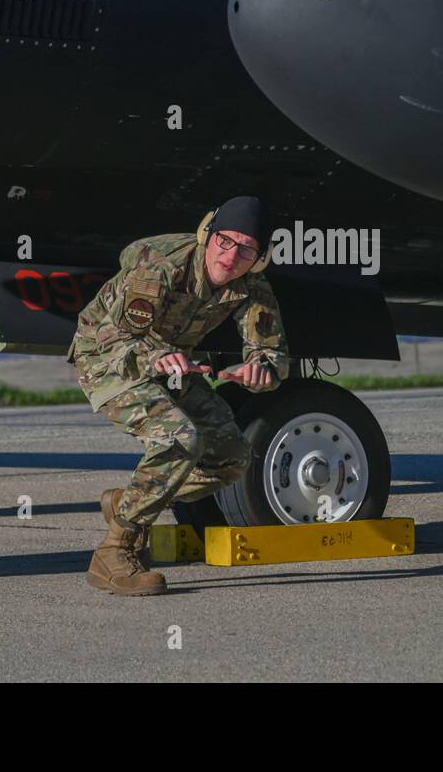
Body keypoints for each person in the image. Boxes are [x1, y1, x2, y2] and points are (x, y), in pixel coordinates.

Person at [66, 196, 289, 595]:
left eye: (246, 248)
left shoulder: (252, 284)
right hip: (108, 357)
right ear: (207, 234)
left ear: (259, 256)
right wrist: (159, 356)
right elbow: (112, 336)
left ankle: (130, 503)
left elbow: (272, 351)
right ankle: (113, 554)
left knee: (232, 457)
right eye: (224, 240)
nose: (231, 255)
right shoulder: (163, 265)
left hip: (173, 362)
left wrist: (260, 370)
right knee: (179, 439)